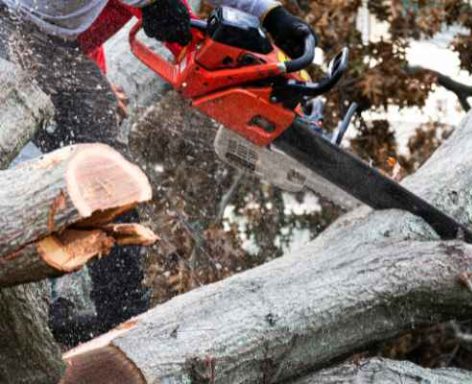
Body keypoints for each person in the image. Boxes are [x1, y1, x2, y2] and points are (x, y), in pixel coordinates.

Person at [0, 0, 313, 346]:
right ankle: (96, 315)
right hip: (15, 25)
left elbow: (187, 38)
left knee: (96, 158)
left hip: (56, 41)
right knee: (72, 169)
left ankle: (105, 319)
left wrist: (272, 17)